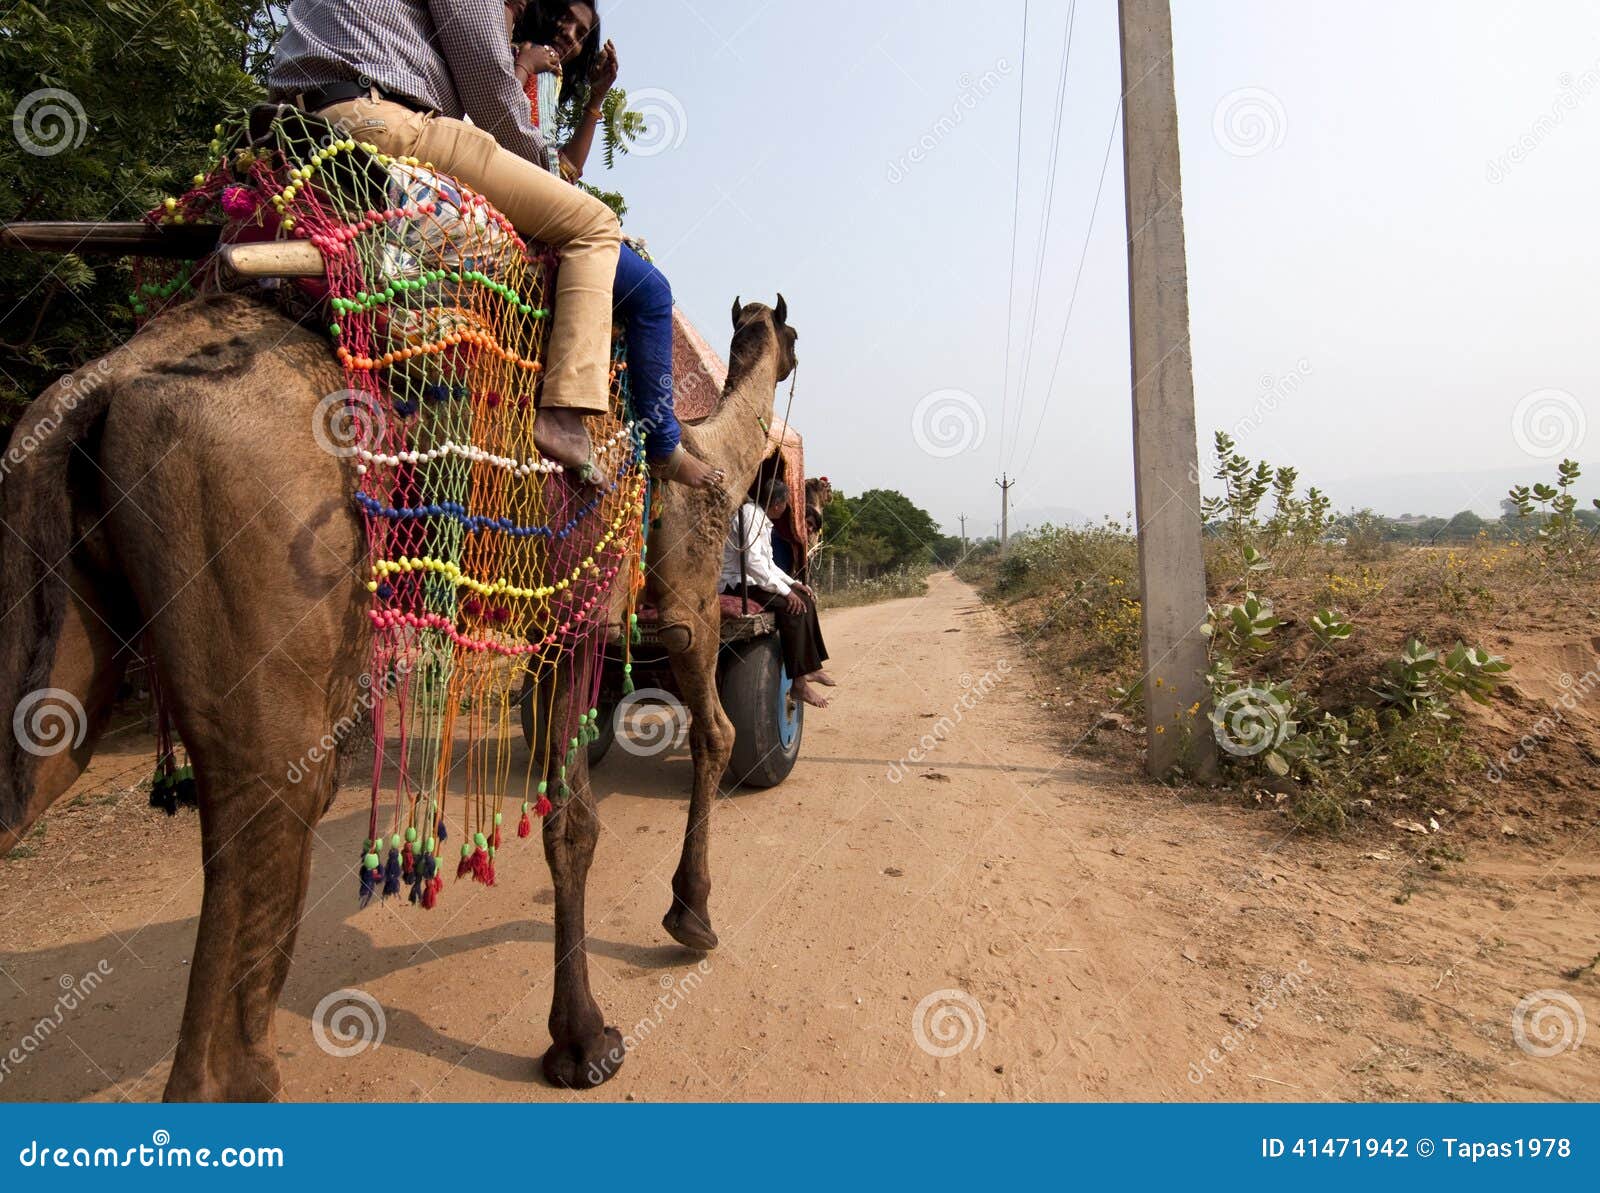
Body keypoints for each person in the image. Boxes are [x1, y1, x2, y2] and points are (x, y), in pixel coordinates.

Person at [266, 0, 616, 474]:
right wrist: (551, 170)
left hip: (295, 128)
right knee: (596, 225)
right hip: (383, 121)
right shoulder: (515, 49)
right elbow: (493, 96)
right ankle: (565, 410)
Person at [510, 0, 722, 489]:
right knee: (651, 292)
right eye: (564, 18)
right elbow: (501, 129)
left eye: (581, 31)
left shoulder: (547, 77)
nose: (569, 33)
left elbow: (565, 171)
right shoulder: (516, 54)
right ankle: (663, 444)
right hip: (522, 208)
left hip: (540, 201)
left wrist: (595, 99)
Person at [721, 481, 835, 708]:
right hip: (737, 584)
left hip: (752, 581)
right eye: (785, 503)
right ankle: (799, 684)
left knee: (805, 599)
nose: (786, 508)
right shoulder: (749, 516)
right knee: (793, 607)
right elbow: (753, 564)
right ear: (778, 504)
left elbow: (769, 564)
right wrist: (785, 592)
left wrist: (793, 584)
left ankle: (810, 668)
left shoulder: (761, 519)